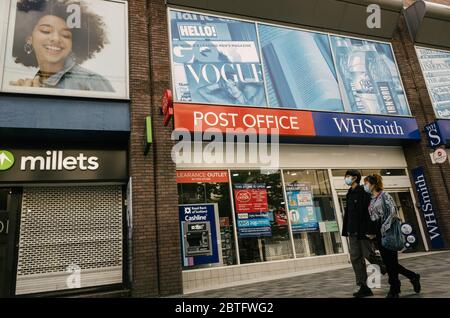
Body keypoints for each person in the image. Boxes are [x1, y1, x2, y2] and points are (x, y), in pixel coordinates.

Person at [10, 0, 114, 92]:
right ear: (29, 39)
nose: (56, 39)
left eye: (65, 35)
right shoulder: (32, 84)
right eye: (46, 31)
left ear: (72, 44)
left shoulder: (92, 82)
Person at [364, 174, 421, 298]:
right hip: (378, 233)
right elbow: (373, 217)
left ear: (373, 184)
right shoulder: (371, 199)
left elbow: (393, 212)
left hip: (388, 232)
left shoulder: (385, 195)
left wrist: (384, 227)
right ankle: (412, 276)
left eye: (366, 183)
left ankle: (395, 289)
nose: (365, 186)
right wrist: (372, 231)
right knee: (388, 262)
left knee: (391, 262)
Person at [341, 170, 386, 297]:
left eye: (347, 176)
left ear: (355, 178)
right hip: (352, 231)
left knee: (369, 255)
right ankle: (363, 286)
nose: (346, 179)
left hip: (362, 231)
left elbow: (369, 213)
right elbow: (349, 214)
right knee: (355, 258)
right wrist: (347, 230)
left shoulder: (363, 192)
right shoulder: (349, 193)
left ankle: (389, 267)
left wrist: (370, 231)